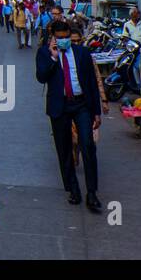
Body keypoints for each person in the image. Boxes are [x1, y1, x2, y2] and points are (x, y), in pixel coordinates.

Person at [37, 20, 103, 212]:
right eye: (60, 38)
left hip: (82, 104)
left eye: (66, 37)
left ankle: (92, 192)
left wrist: (97, 111)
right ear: (53, 38)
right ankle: (73, 189)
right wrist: (53, 57)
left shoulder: (82, 53)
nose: (64, 41)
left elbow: (91, 82)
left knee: (88, 145)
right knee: (64, 150)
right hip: (60, 106)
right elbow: (41, 77)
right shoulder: (44, 53)